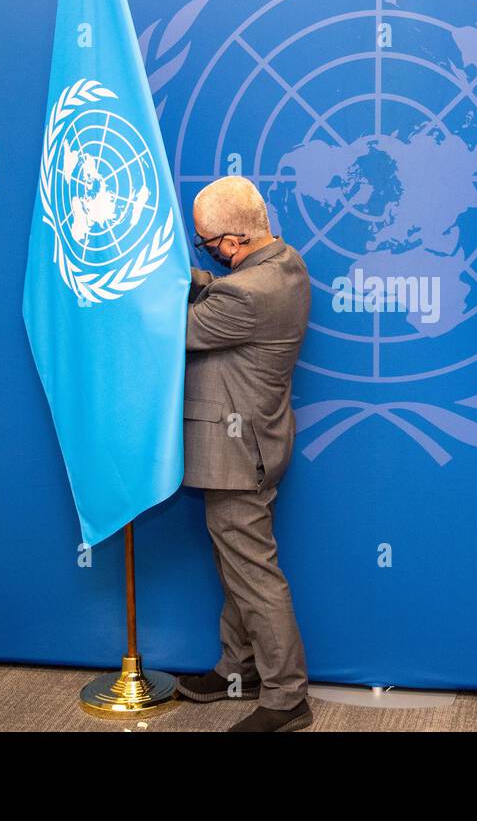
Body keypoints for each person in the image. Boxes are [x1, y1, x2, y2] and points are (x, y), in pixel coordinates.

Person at [173, 175, 313, 733]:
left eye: (207, 245)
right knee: (239, 565)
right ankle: (240, 670)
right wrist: (178, 272)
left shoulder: (247, 296)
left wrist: (131, 284)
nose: (207, 255)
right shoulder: (285, 265)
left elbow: (169, 331)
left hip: (235, 455)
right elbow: (219, 284)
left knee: (254, 575)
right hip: (257, 444)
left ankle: (285, 698)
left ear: (233, 240)